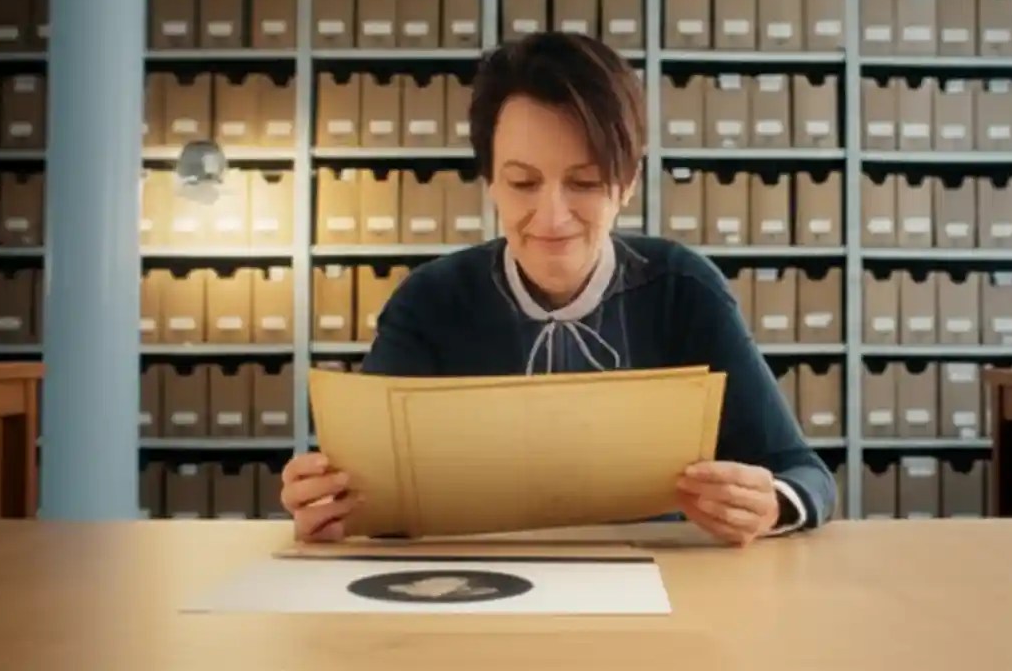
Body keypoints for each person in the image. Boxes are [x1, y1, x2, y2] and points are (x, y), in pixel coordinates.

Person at [281, 31, 837, 546]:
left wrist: (771, 504)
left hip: (660, 587)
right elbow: (364, 495)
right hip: (475, 591)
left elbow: (805, 472)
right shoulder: (431, 300)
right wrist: (325, 503)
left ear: (627, 183)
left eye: (585, 182)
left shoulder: (681, 289)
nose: (552, 217)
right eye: (523, 183)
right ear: (490, 181)